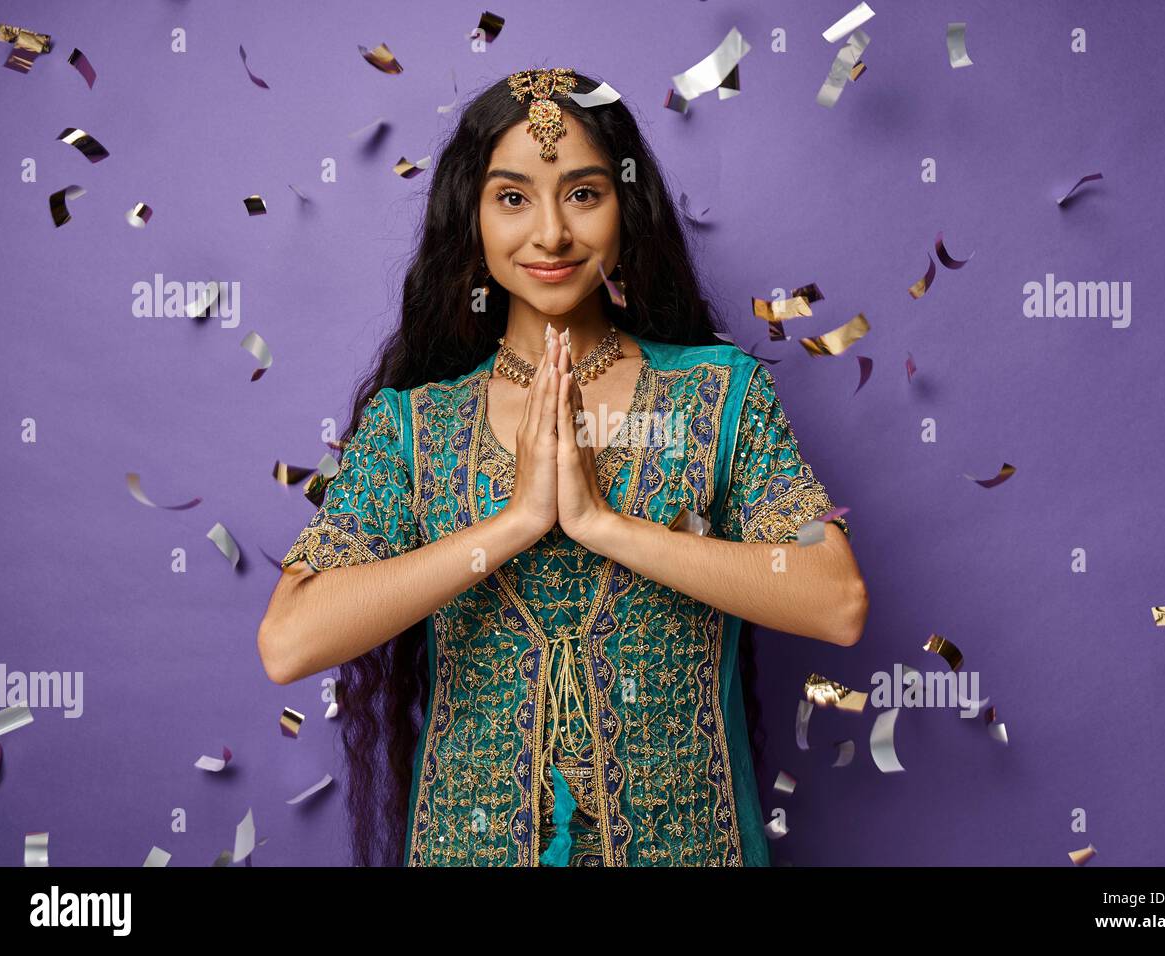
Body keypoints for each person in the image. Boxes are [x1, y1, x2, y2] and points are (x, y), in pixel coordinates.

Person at [257, 67, 868, 867]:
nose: (550, 233)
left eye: (583, 193)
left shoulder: (719, 395)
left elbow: (837, 601)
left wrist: (602, 525)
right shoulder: (417, 424)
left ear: (627, 209)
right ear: (470, 221)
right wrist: (512, 525)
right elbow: (289, 640)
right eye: (513, 198)